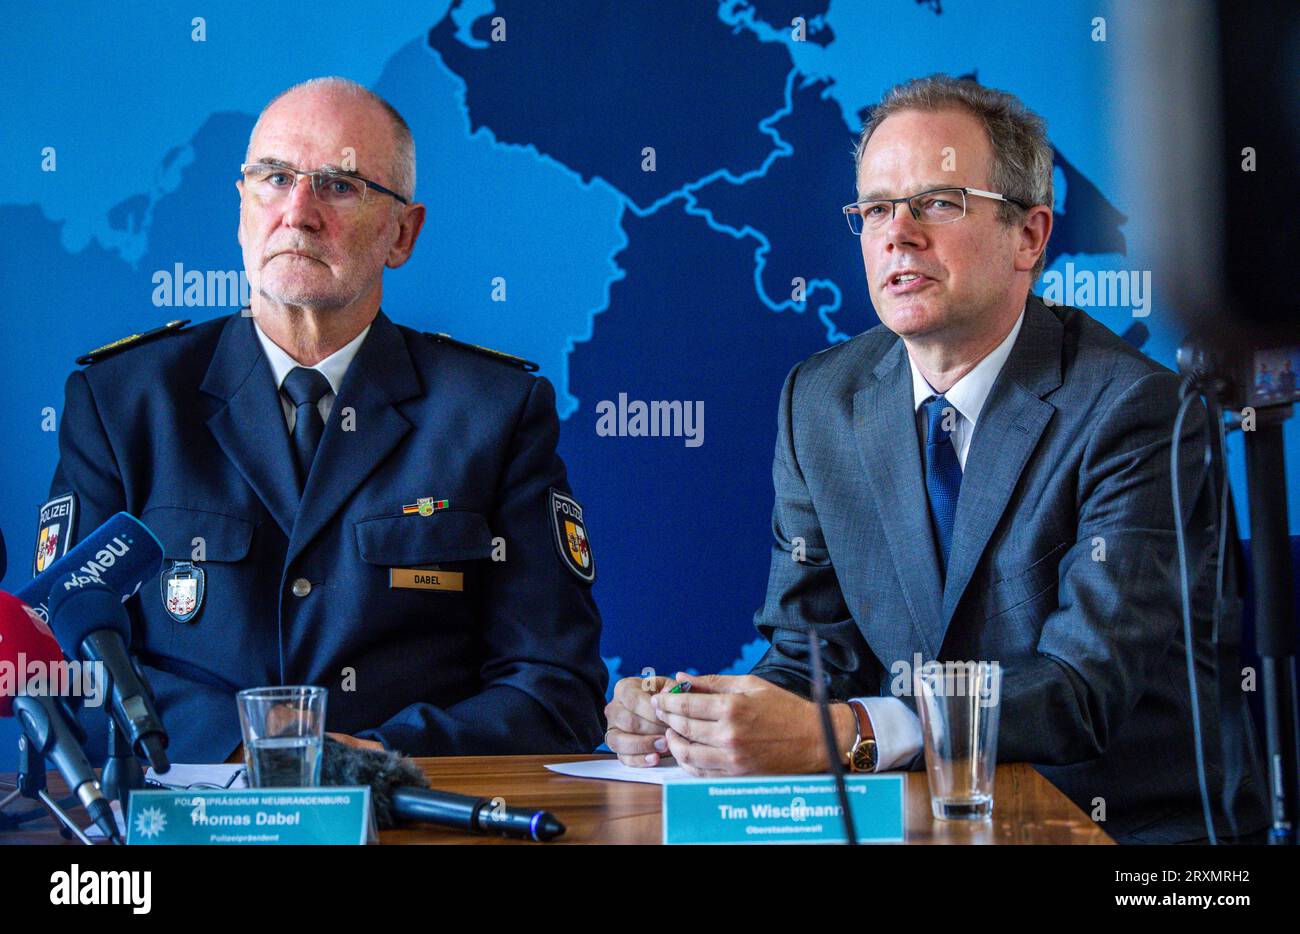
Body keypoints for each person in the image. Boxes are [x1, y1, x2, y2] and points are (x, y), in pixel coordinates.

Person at [605, 75, 1267, 844]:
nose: (899, 234)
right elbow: (811, 658)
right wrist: (700, 719)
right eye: (877, 208)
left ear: (1030, 236)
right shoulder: (820, 400)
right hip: (917, 826)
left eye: (940, 202)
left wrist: (845, 733)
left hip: (1121, 837)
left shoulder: (1137, 411)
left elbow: (1081, 693)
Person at [41, 77, 607, 763]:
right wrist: (238, 757)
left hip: (409, 823)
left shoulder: (492, 413)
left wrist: (368, 758)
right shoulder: (124, 402)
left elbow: (555, 690)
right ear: (243, 211)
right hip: (187, 824)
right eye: (275, 179)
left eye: (340, 185)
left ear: (403, 233)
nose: (299, 212)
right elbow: (59, 670)